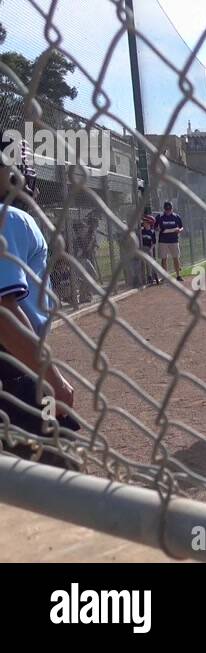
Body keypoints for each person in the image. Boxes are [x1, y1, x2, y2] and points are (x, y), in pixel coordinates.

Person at [0, 137, 80, 469]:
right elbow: (4, 312)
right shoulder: (11, 219)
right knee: (64, 473)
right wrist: (53, 380)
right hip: (15, 368)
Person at [154, 201, 184, 282]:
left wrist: (179, 230)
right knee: (164, 258)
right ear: (164, 209)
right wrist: (158, 229)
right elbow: (155, 227)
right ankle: (165, 277)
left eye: (169, 209)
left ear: (172, 209)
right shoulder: (159, 217)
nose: (168, 211)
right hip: (163, 240)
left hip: (174, 240)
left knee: (176, 257)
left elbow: (181, 227)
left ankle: (178, 275)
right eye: (166, 209)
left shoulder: (176, 217)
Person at [139, 209, 159, 286]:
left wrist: (151, 249)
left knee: (150, 262)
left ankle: (152, 276)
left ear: (149, 223)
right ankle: (144, 278)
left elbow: (154, 242)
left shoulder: (152, 232)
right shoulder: (141, 230)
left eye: (145, 222)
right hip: (141, 248)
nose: (143, 223)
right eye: (143, 222)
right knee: (141, 263)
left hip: (148, 248)